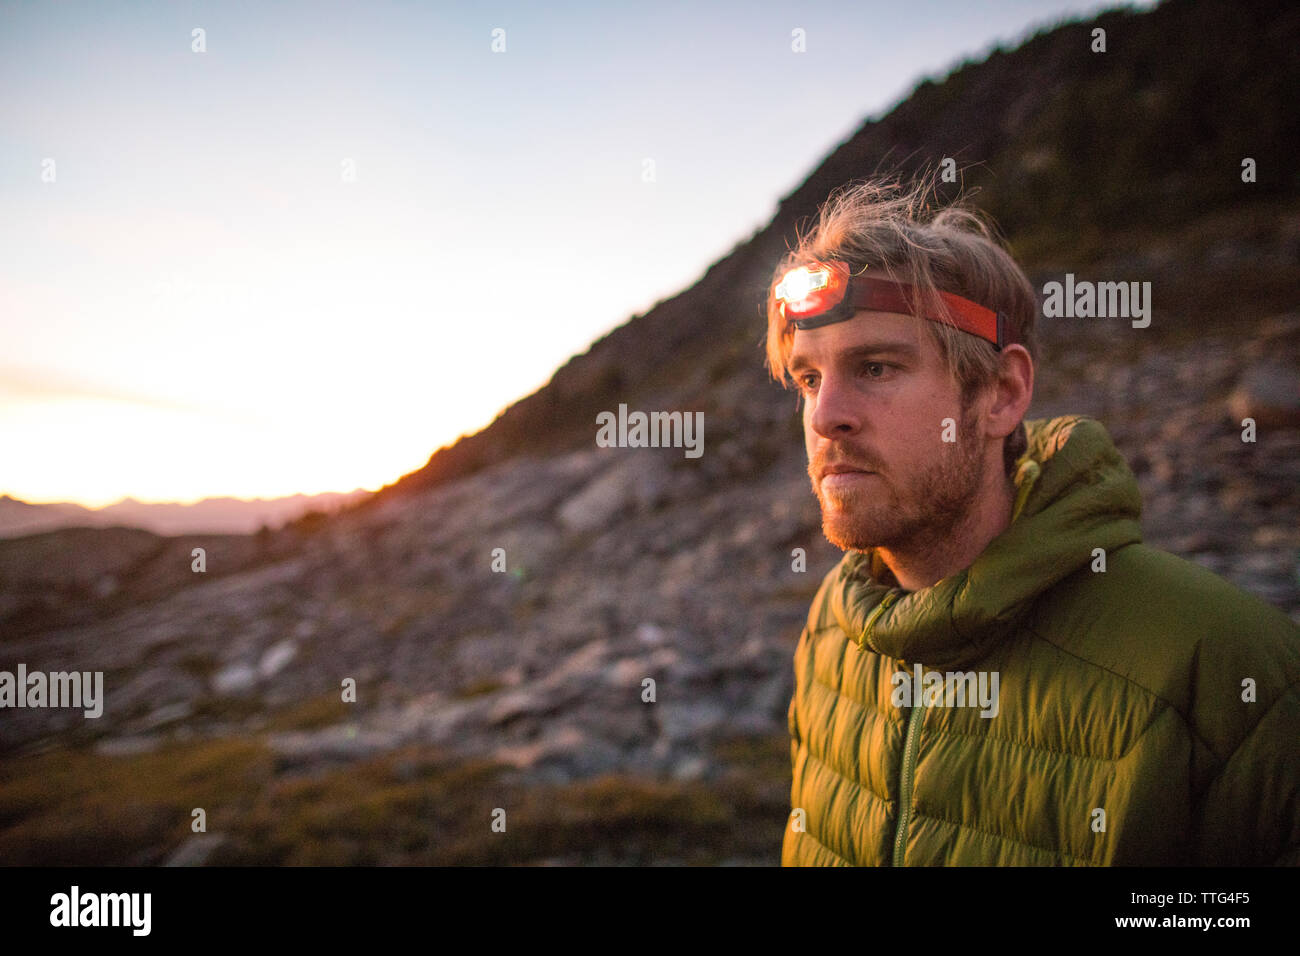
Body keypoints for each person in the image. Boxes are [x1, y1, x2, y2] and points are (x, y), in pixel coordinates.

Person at [768, 176, 1300, 866]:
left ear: (1002, 394)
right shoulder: (833, 626)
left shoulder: (1228, 667)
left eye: (875, 366)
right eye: (808, 378)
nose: (824, 415)